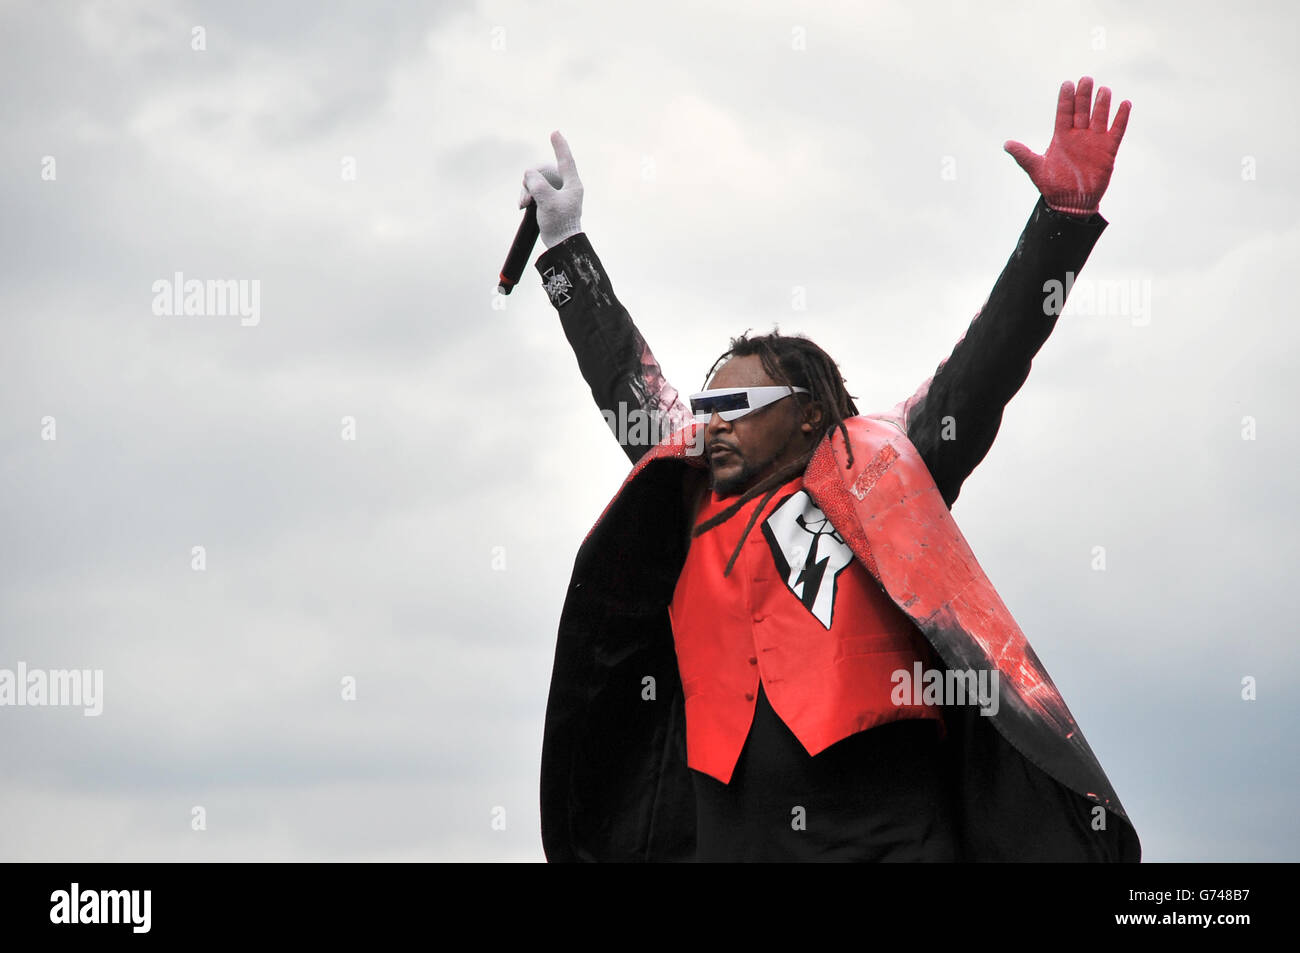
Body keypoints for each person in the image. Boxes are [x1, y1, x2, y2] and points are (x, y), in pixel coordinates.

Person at [520, 77, 1139, 862]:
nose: (711, 418)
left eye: (737, 399)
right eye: (704, 402)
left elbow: (985, 367)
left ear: (808, 412)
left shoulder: (878, 473)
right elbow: (624, 377)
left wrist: (1062, 223)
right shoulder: (687, 491)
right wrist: (565, 243)